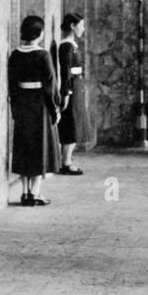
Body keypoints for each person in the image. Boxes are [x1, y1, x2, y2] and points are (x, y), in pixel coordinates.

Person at [8, 15, 61, 206]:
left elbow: (11, 85)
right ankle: (36, 192)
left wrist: (15, 106)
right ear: (39, 33)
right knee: (40, 148)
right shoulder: (42, 55)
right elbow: (50, 84)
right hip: (40, 105)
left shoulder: (15, 54)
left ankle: (24, 192)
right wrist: (55, 106)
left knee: (24, 147)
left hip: (22, 103)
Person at [57, 12, 90, 174]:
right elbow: (65, 72)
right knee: (70, 124)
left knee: (74, 124)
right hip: (72, 88)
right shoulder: (66, 46)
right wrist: (67, 92)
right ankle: (66, 162)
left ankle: (67, 160)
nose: (83, 29)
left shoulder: (71, 45)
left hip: (76, 86)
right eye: (81, 25)